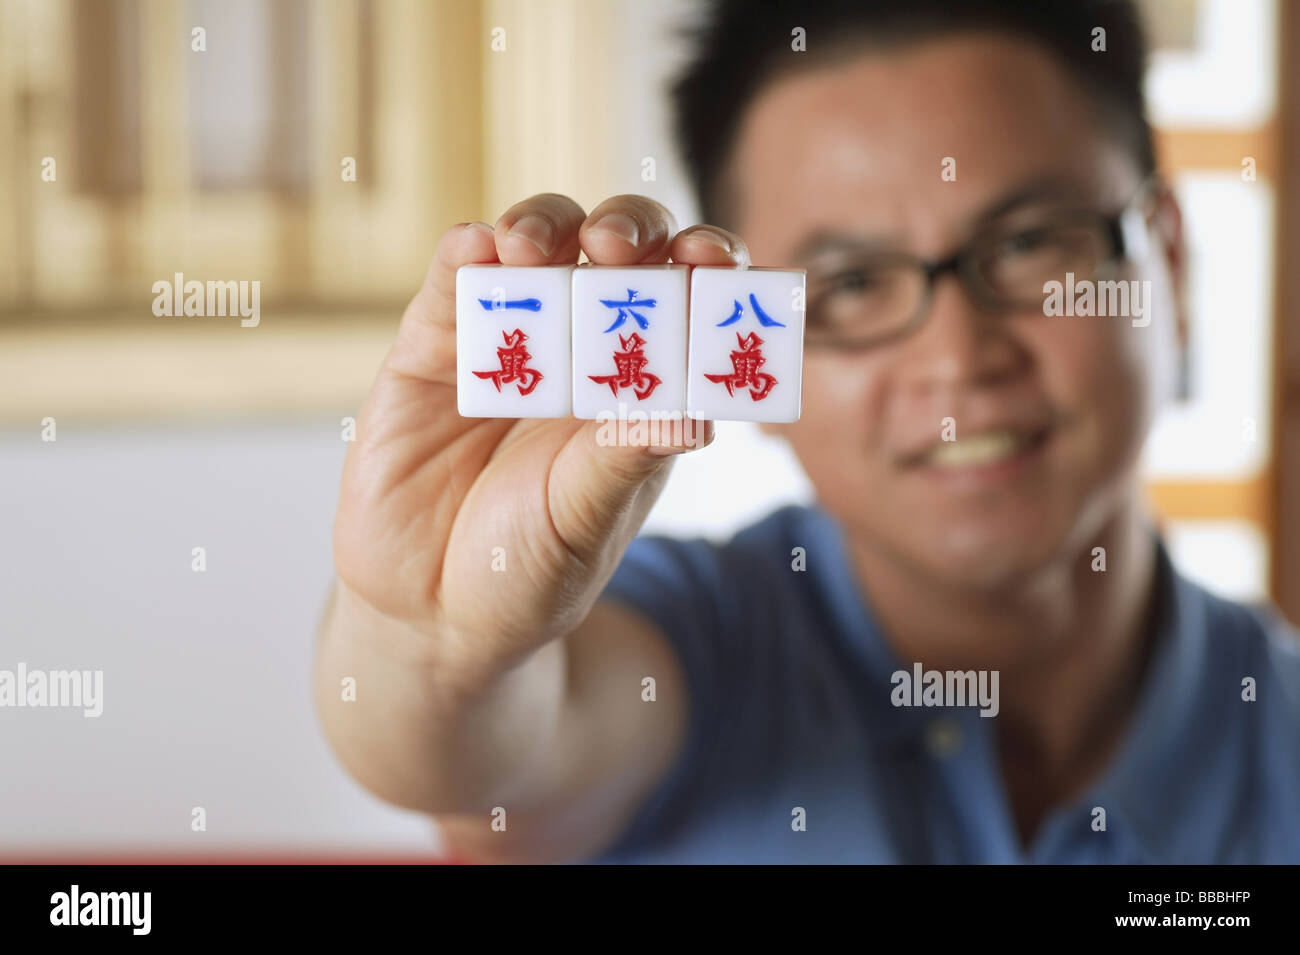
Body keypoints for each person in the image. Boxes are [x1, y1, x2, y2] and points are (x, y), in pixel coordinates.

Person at [315, 0, 1300, 862]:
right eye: (850, 285)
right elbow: (486, 754)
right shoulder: (692, 646)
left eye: (1030, 242)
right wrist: (437, 645)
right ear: (747, 352)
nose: (957, 358)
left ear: (1167, 263)